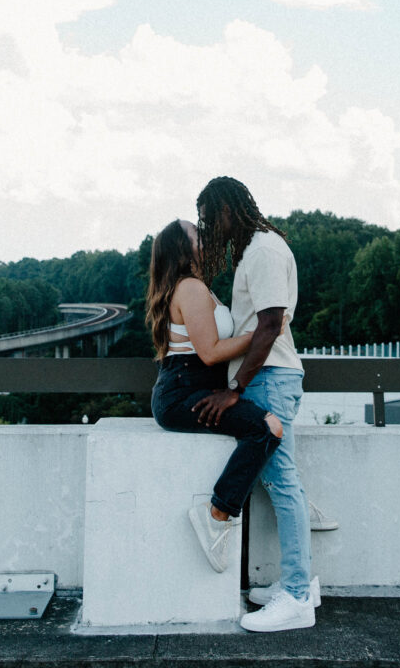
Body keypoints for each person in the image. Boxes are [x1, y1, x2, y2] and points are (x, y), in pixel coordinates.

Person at [193, 176, 315, 632]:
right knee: (284, 484)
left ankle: (299, 597)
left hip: (267, 378)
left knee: (283, 485)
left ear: (228, 210)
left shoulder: (262, 250)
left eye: (210, 218)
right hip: (270, 377)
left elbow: (269, 324)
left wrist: (236, 388)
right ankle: (297, 583)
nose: (208, 229)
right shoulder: (259, 246)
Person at [147, 218, 284, 576]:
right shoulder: (189, 288)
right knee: (265, 428)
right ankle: (217, 514)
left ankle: (291, 497)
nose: (203, 236)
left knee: (267, 429)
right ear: (182, 247)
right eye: (195, 233)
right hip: (184, 392)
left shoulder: (196, 286)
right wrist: (263, 334)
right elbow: (208, 352)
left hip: (193, 387)